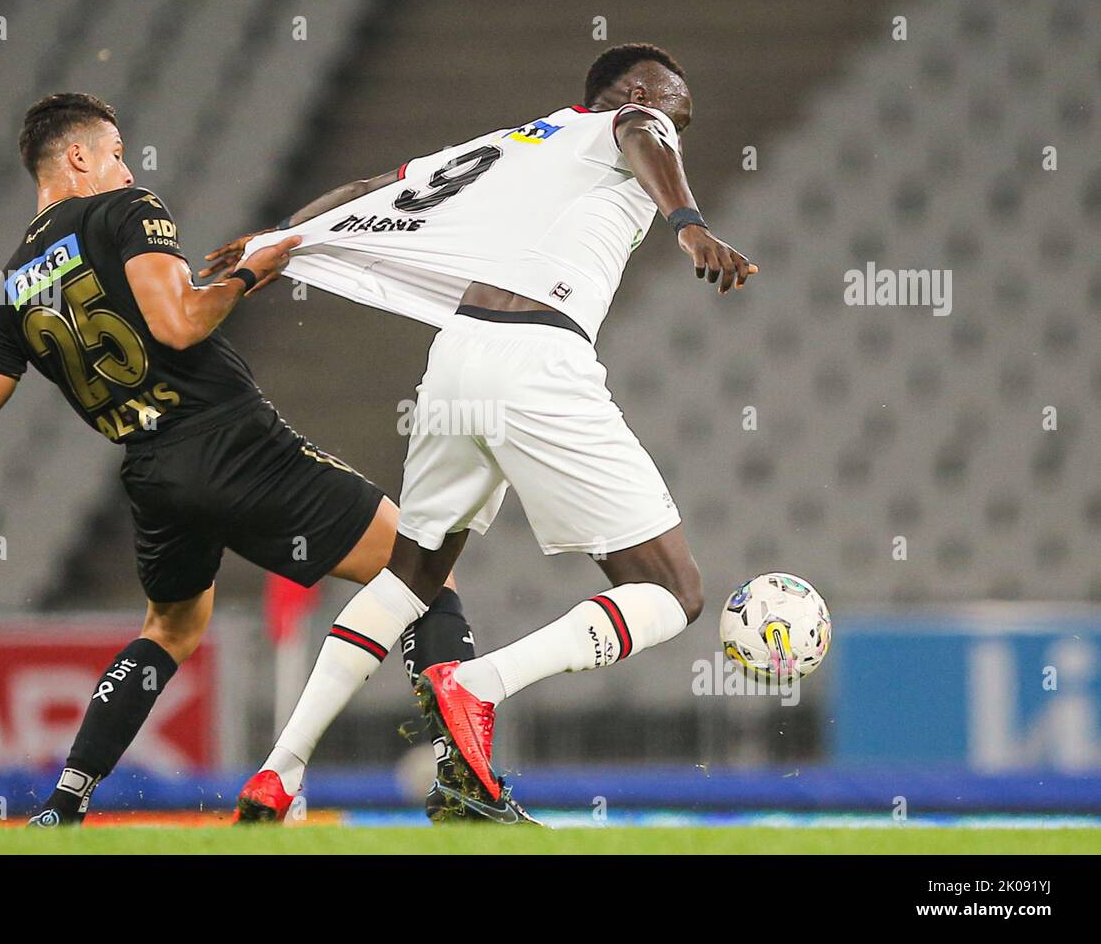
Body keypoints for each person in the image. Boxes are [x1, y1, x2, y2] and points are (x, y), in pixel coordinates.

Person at [0, 92, 482, 826]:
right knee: (426, 569)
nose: (125, 165)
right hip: (233, 440)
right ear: (79, 157)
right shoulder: (127, 210)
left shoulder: (10, 287)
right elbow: (177, 324)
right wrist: (253, 272)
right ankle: (463, 776)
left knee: (169, 630)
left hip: (153, 473)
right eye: (113, 152)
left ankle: (65, 801)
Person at [208, 43, 757, 811]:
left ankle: (280, 768)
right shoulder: (632, 124)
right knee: (674, 591)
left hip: (457, 358)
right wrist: (690, 226)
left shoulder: (509, 145)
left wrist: (275, 238)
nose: (677, 129)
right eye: (677, 113)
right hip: (538, 357)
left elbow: (371, 189)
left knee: (411, 577)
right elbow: (644, 132)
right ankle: (477, 684)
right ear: (631, 95)